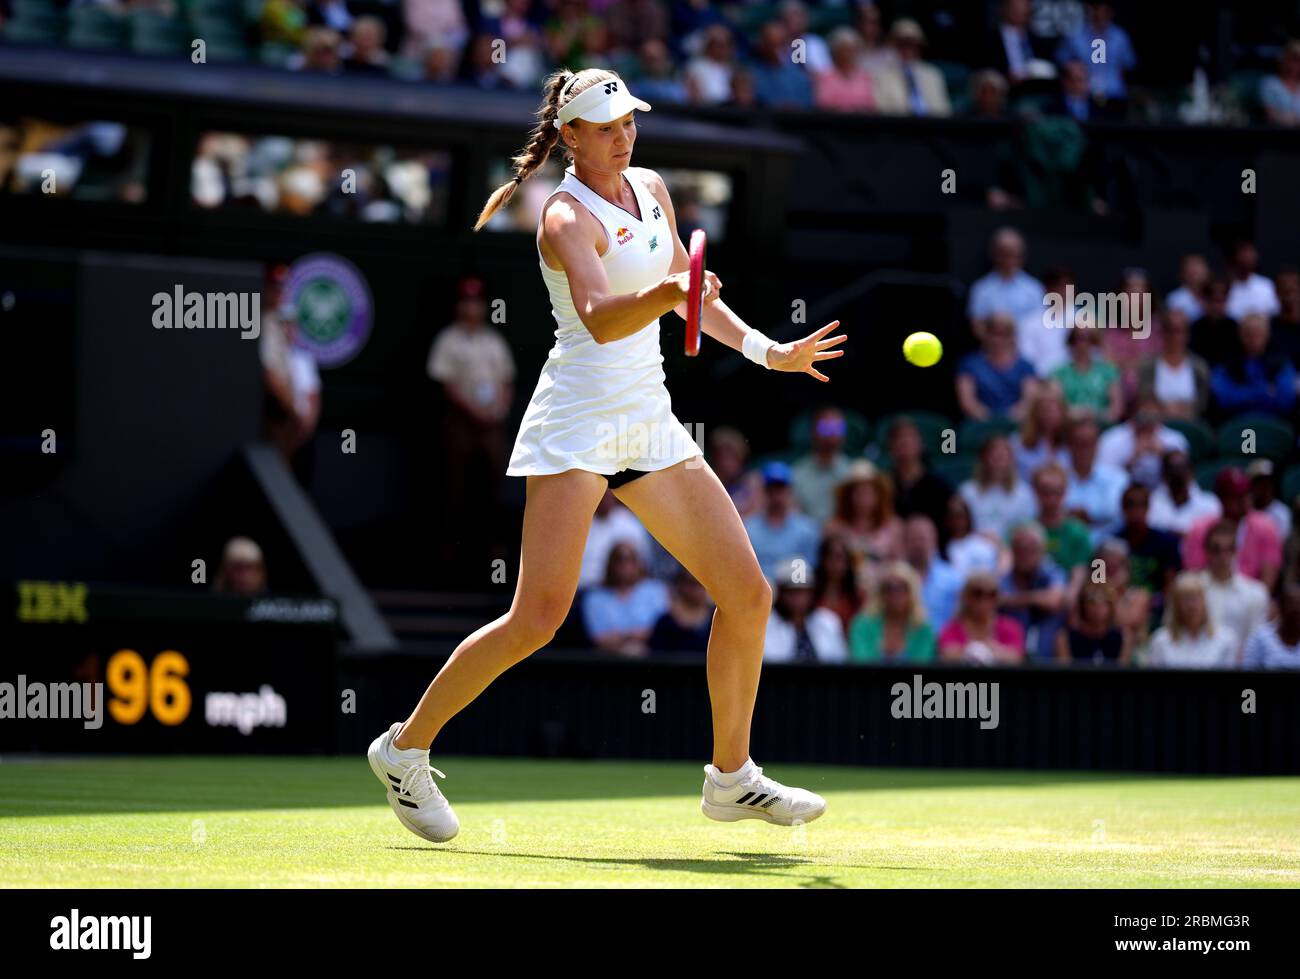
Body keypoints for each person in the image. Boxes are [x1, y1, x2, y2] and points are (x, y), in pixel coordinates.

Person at [368, 68, 846, 843]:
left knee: (748, 594)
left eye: (629, 120)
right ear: (570, 137)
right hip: (578, 421)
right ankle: (402, 747)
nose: (625, 135)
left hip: (649, 420)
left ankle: (731, 777)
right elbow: (597, 315)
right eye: (607, 125)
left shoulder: (651, 185)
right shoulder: (562, 216)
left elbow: (694, 294)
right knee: (537, 617)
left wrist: (768, 351)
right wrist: (667, 296)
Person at [428, 274, 517, 538]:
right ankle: (451, 543)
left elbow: (506, 380)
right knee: (455, 484)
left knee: (494, 482)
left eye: (477, 302)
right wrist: (473, 411)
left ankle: (492, 542)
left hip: (492, 423)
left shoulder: (494, 341)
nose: (472, 308)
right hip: (461, 424)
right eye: (466, 302)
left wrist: (499, 410)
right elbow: (446, 384)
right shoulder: (448, 340)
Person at [1183, 468, 1282, 591]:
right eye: (1236, 496)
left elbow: (1267, 582)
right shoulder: (1200, 529)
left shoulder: (1266, 527)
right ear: (1221, 499)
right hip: (1209, 597)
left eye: (1247, 494)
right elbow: (1194, 576)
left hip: (1252, 599)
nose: (1244, 500)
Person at [582, 541, 671, 657]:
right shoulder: (595, 597)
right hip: (607, 660)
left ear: (639, 563)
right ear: (610, 563)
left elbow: (661, 631)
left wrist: (622, 636)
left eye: (630, 559)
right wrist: (632, 638)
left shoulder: (655, 591)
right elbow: (598, 638)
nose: (625, 565)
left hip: (652, 659)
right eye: (619, 559)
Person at [1198, 520, 1270, 662]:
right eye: (1216, 549)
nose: (1223, 556)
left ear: (1236, 551)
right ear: (1207, 551)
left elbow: (1255, 643)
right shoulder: (1191, 587)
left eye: (1229, 549)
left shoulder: (1256, 592)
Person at [1000, 523, 1066, 661]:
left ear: (1041, 550)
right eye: (1020, 549)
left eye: (1031, 549)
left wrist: (1016, 600)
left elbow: (1054, 600)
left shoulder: (1051, 572)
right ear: (1012, 551)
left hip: (1047, 654)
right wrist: (1037, 598)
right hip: (1010, 657)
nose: (1025, 554)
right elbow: (997, 599)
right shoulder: (1004, 578)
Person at [1210, 314, 1296, 419]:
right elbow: (1223, 399)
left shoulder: (1281, 362)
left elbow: (1287, 400)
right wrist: (1264, 391)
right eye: (1248, 334)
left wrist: (1242, 393)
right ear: (1240, 335)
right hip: (1237, 423)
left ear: (1267, 335)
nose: (1253, 339)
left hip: (1273, 423)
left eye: (1258, 334)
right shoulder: (1227, 364)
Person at [763, 558, 848, 663]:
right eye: (792, 592)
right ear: (781, 593)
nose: (799, 599)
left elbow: (840, 661)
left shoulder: (828, 622)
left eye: (804, 592)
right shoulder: (766, 625)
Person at [744, 461, 822, 576]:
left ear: (789, 490)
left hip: (794, 589)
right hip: (759, 590)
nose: (776, 495)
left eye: (780, 488)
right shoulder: (748, 529)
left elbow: (809, 571)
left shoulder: (807, 529)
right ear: (765, 491)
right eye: (771, 489)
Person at [848, 562, 936, 663]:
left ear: (911, 592)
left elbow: (922, 668)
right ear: (880, 593)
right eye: (888, 588)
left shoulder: (923, 628)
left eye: (901, 587)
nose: (895, 594)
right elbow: (861, 663)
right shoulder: (862, 626)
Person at [967, 228, 1045, 341]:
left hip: (1027, 350)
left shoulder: (1034, 288)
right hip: (993, 351)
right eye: (1004, 254)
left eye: (1014, 255)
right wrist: (998, 345)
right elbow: (977, 325)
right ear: (994, 254)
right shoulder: (981, 289)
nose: (1009, 260)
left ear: (1022, 256)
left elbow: (1039, 326)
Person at [956, 312, 1037, 420]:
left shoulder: (1026, 366)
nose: (998, 340)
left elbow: (1028, 402)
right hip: (979, 425)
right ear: (985, 334)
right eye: (994, 334)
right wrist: (990, 420)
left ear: (1013, 336)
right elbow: (967, 402)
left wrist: (1008, 420)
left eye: (1004, 335)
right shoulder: (969, 364)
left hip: (1016, 425)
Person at [824, 460, 903, 567]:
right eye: (858, 492)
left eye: (868, 492)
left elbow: (899, 566)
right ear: (849, 496)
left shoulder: (894, 527)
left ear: (878, 496)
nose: (863, 498)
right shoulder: (833, 528)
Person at [1147, 573, 1236, 668]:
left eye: (1195, 599)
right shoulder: (1160, 640)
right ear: (1176, 606)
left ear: (1205, 602)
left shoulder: (1226, 639)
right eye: (1185, 600)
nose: (1191, 606)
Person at [1135, 308, 1210, 420]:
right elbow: (1143, 400)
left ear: (1187, 334)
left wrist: (1188, 410)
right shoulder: (1147, 366)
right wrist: (1163, 409)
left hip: (1191, 425)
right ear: (1162, 333)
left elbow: (1203, 404)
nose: (1174, 337)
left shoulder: (1200, 366)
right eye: (1169, 331)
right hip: (1158, 425)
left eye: (1179, 331)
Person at [1062, 414, 1128, 541]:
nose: (1085, 450)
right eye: (1080, 443)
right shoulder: (1057, 477)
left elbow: (1117, 514)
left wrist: (1087, 516)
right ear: (1069, 445)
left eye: (1089, 443)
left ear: (1097, 445)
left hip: (1106, 548)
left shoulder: (1117, 478)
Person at [1096, 396, 1189, 486]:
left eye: (1153, 417)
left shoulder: (1175, 440)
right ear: (1131, 416)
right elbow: (1104, 482)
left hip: (1163, 496)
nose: (1147, 423)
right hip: (1124, 495)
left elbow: (1182, 480)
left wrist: (1164, 455)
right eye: (1142, 417)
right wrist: (1132, 460)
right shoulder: (1111, 439)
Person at [958, 434, 1036, 540]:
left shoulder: (1024, 493)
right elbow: (960, 529)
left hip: (1012, 548)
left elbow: (1026, 529)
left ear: (1011, 461)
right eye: (994, 457)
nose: (998, 463)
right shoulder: (967, 491)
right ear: (983, 459)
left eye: (1002, 457)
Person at [937, 571, 1025, 665]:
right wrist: (975, 651)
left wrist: (991, 651)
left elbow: (1016, 656)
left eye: (992, 594)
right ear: (966, 596)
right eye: (977, 593)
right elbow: (946, 654)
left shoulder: (1010, 627)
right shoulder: (951, 628)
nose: (984, 600)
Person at [871, 19, 951, 117]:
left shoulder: (933, 74)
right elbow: (882, 111)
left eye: (912, 44)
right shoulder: (882, 76)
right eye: (902, 44)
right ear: (894, 46)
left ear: (919, 46)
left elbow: (943, 110)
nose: (907, 49)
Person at [886, 416, 952, 530]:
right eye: (899, 437)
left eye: (910, 437)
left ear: (920, 444)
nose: (905, 441)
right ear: (891, 446)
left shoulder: (938, 486)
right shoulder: (883, 485)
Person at [790, 406, 853, 525]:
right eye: (826, 428)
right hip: (807, 538)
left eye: (837, 428)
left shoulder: (853, 473)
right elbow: (793, 517)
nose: (832, 434)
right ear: (812, 432)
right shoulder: (796, 474)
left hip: (844, 537)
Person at [579, 489, 651, 588]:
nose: (605, 501)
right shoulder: (580, 523)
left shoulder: (628, 522)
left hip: (625, 588)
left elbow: (644, 562)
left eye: (608, 496)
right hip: (586, 589)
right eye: (601, 496)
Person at [1031, 462, 1092, 578]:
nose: (1051, 498)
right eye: (1045, 491)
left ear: (1064, 492)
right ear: (1035, 492)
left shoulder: (1078, 532)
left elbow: (1080, 571)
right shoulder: (1023, 531)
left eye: (1056, 492)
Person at [904, 514, 966, 628]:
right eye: (913, 539)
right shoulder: (896, 578)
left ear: (935, 541)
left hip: (943, 642)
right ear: (904, 542)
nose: (918, 544)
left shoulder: (953, 578)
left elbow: (961, 616)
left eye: (922, 539)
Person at [1051, 329, 1121, 422]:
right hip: (1069, 426)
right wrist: (1077, 414)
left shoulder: (1108, 372)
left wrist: (1094, 415)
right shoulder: (1059, 373)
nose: (1082, 344)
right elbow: (1056, 408)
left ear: (1094, 343)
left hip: (1103, 427)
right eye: (1078, 339)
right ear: (1071, 342)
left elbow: (1116, 410)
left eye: (1088, 339)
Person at [1147, 449, 1221, 536]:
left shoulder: (1210, 503)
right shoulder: (1151, 502)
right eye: (1173, 468)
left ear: (1192, 472)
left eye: (1182, 467)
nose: (1178, 473)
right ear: (1164, 474)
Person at [1057, 584, 1130, 665]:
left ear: (1111, 606)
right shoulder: (1065, 638)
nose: (1098, 607)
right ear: (1083, 605)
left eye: (1104, 601)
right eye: (1092, 601)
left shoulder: (1122, 638)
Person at [648, 566, 714, 654]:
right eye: (692, 583)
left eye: (701, 583)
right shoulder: (665, 622)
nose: (697, 589)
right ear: (680, 584)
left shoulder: (716, 620)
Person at [1012, 383, 1070, 480]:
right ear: (1035, 413)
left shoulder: (1071, 443)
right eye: (1046, 410)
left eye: (1056, 410)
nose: (1051, 415)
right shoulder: (1017, 443)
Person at [814, 26, 876, 113]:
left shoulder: (864, 77)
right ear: (836, 51)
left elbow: (870, 104)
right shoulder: (825, 76)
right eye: (844, 49)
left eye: (852, 50)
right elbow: (823, 103)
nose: (848, 54)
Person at [812, 534, 864, 632]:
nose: (835, 563)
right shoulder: (811, 595)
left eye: (840, 558)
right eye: (830, 557)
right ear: (823, 560)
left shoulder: (858, 597)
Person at [942, 495, 1002, 577]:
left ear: (968, 517)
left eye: (959, 516)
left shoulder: (983, 545)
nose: (955, 521)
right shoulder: (940, 550)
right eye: (951, 516)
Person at [1242, 584, 1300, 669]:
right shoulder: (1260, 638)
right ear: (1280, 607)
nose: (1296, 609)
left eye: (1299, 604)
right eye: (1291, 604)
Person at [1225, 240, 1280, 322]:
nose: (1248, 256)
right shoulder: (1225, 287)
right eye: (1243, 252)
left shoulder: (1266, 285)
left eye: (1251, 252)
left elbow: (1275, 312)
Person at [1246, 459, 1291, 539]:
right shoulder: (1244, 510)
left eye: (1268, 482)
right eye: (1260, 482)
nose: (1264, 487)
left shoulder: (1282, 513)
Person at [1260, 39, 1300, 127]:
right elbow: (1271, 116)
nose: (1297, 65)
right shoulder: (1270, 84)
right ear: (1285, 59)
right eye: (1295, 60)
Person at [1165, 253, 1210, 323]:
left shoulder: (1218, 293)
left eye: (1199, 266)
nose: (1197, 271)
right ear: (1183, 273)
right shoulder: (1176, 299)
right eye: (1192, 268)